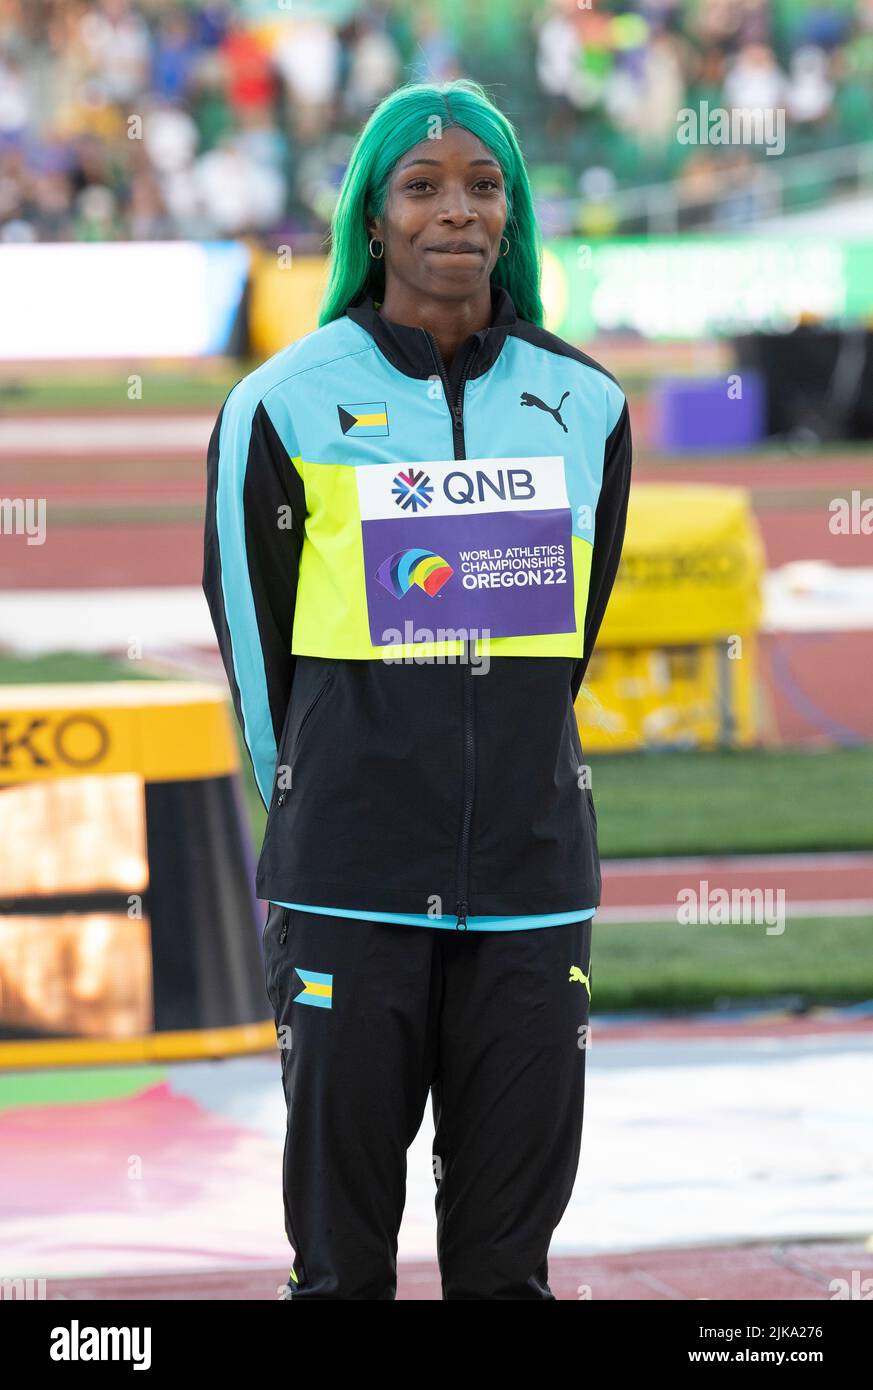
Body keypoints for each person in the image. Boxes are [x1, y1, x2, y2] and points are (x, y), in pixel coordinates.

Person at [202, 77, 632, 1301]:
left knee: (505, 1271)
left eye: (485, 186)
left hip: (532, 883)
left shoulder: (587, 406)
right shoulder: (278, 404)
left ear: (516, 214)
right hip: (349, 877)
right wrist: (329, 795)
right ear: (374, 221)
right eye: (423, 187)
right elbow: (253, 642)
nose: (459, 212)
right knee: (340, 1271)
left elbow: (571, 643)